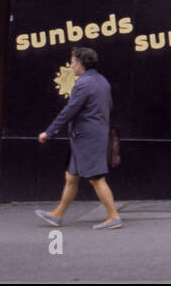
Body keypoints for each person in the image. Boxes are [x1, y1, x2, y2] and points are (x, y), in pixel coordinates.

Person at [35, 46, 122, 230]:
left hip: (88, 138)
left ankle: (113, 217)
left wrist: (49, 132)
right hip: (88, 136)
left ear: (81, 64)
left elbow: (69, 111)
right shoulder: (101, 81)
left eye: (73, 62)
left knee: (96, 178)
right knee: (71, 176)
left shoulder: (84, 84)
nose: (71, 65)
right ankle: (57, 215)